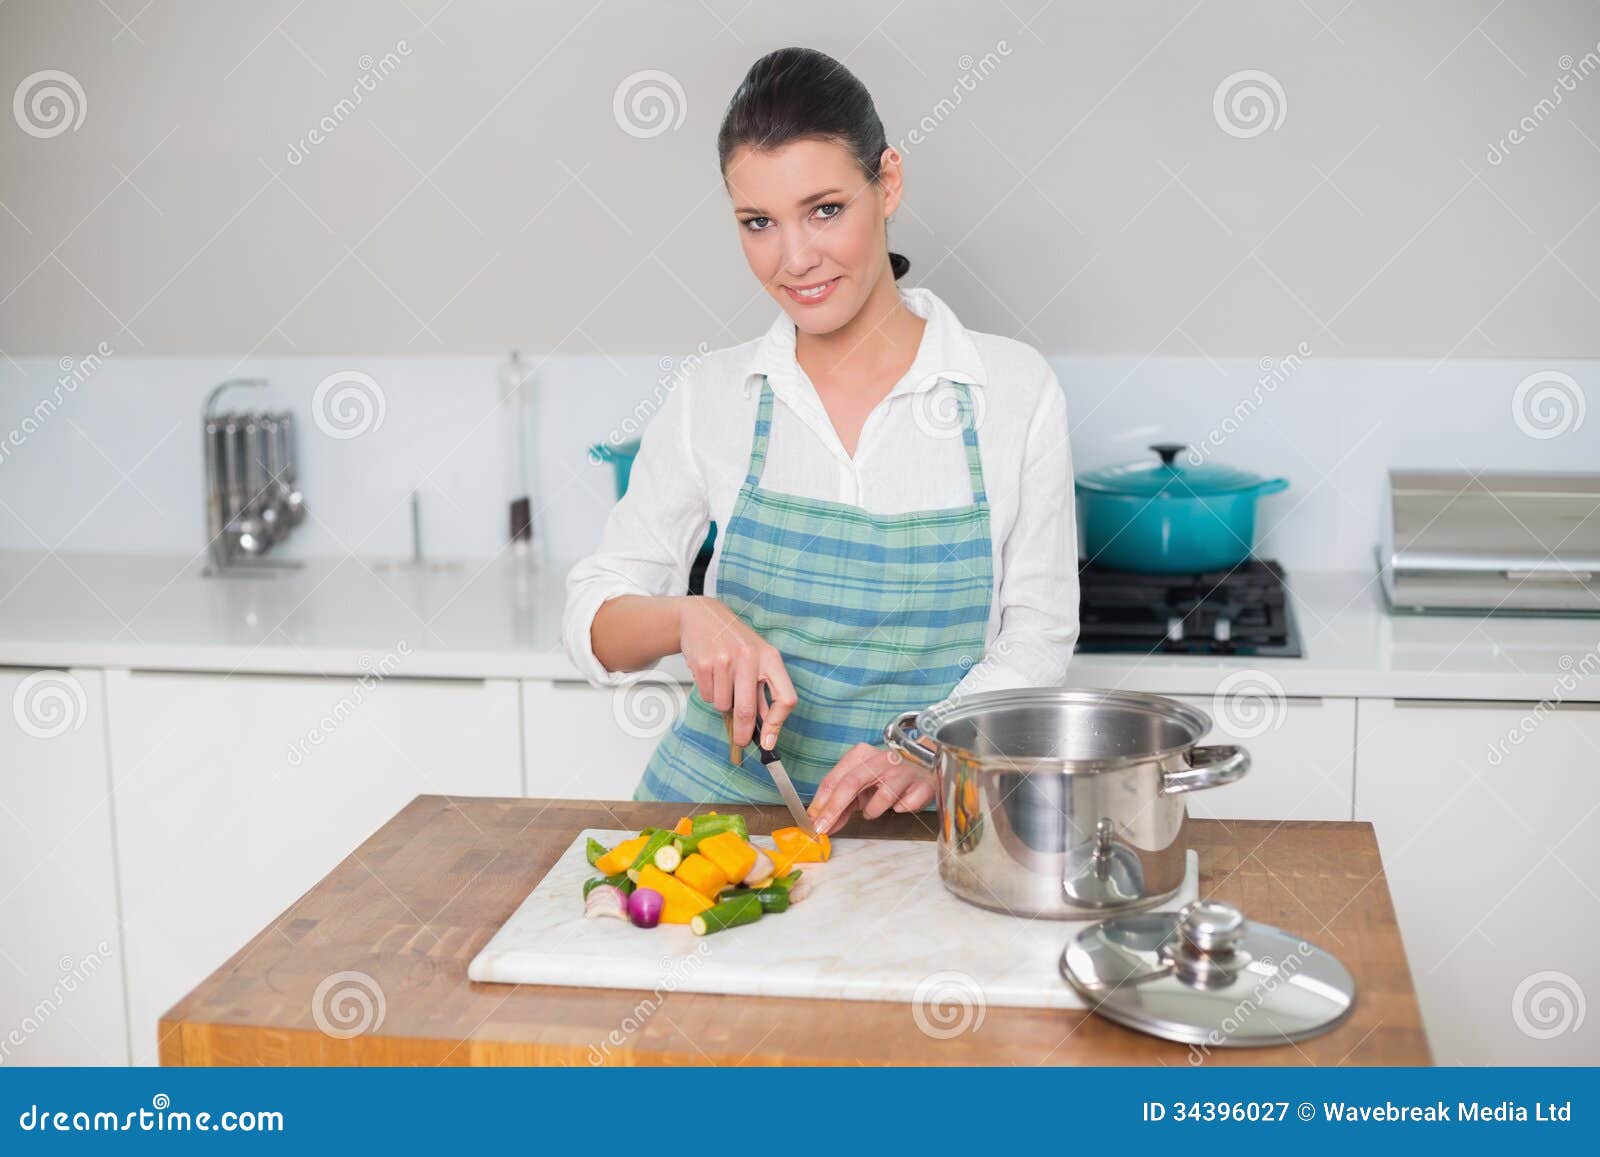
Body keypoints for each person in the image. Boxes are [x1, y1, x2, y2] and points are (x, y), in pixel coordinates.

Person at [563, 46, 1078, 834]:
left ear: (888, 183)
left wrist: (932, 744)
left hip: (923, 834)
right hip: (718, 828)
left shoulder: (1010, 390)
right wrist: (687, 617)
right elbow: (593, 620)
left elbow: (1037, 637)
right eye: (758, 223)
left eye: (826, 209)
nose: (796, 259)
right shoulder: (714, 393)